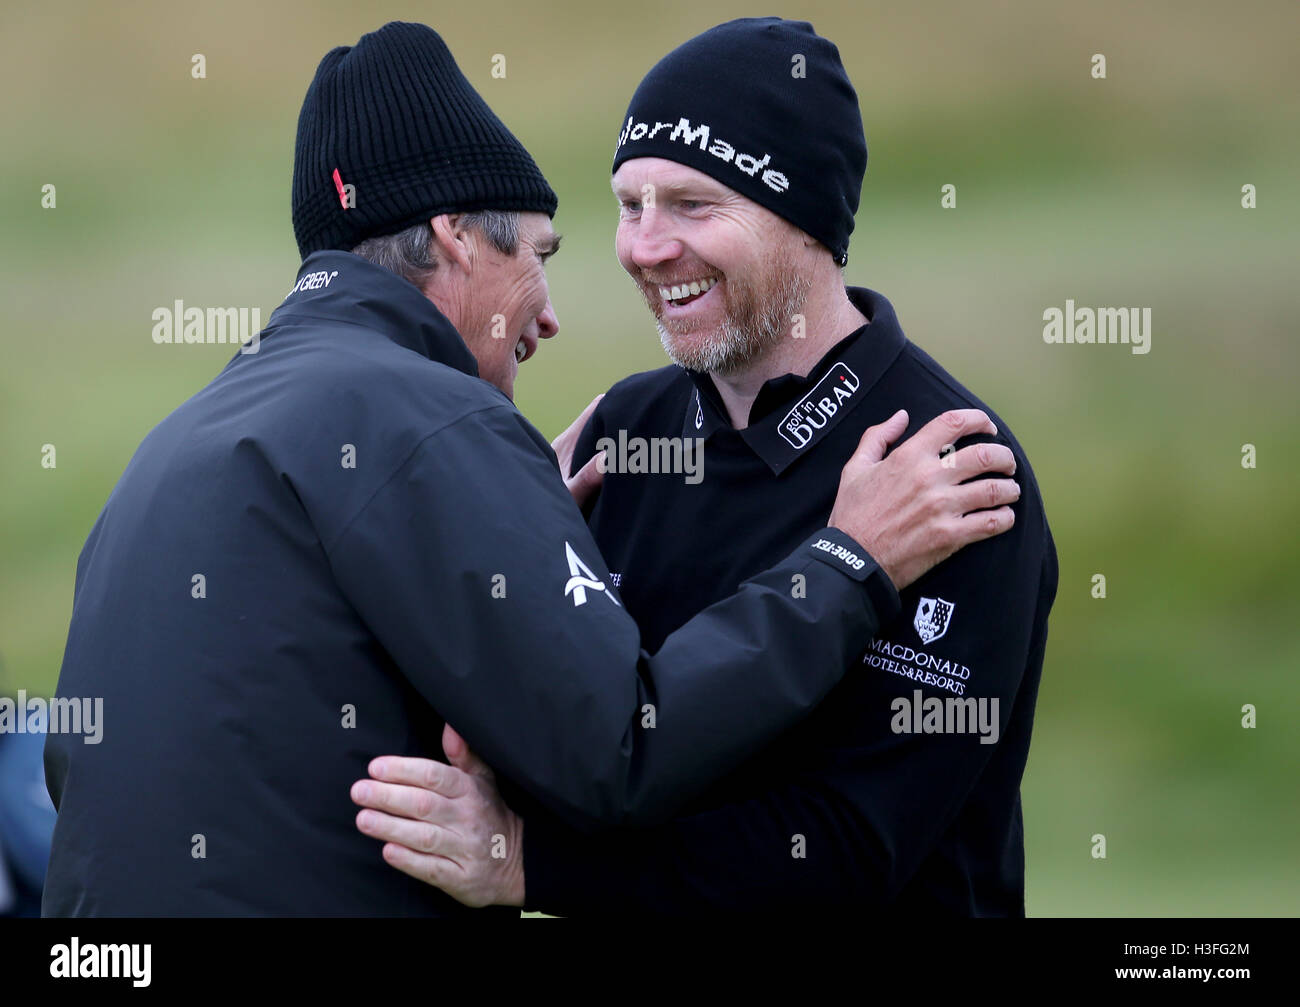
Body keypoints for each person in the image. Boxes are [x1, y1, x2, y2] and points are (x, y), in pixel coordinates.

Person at [41, 21, 1016, 917]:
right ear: (455, 234)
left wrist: (504, 535)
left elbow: (76, 766)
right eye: (542, 253)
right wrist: (848, 562)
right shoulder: (426, 419)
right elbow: (618, 746)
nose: (549, 314)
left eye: (685, 204)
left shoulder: (177, 439)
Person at [350, 18, 1057, 916]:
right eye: (629, 203)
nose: (645, 247)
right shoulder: (628, 430)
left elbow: (848, 846)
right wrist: (511, 570)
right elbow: (591, 745)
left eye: (692, 204)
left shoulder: (946, 466)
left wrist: (535, 866)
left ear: (805, 218)